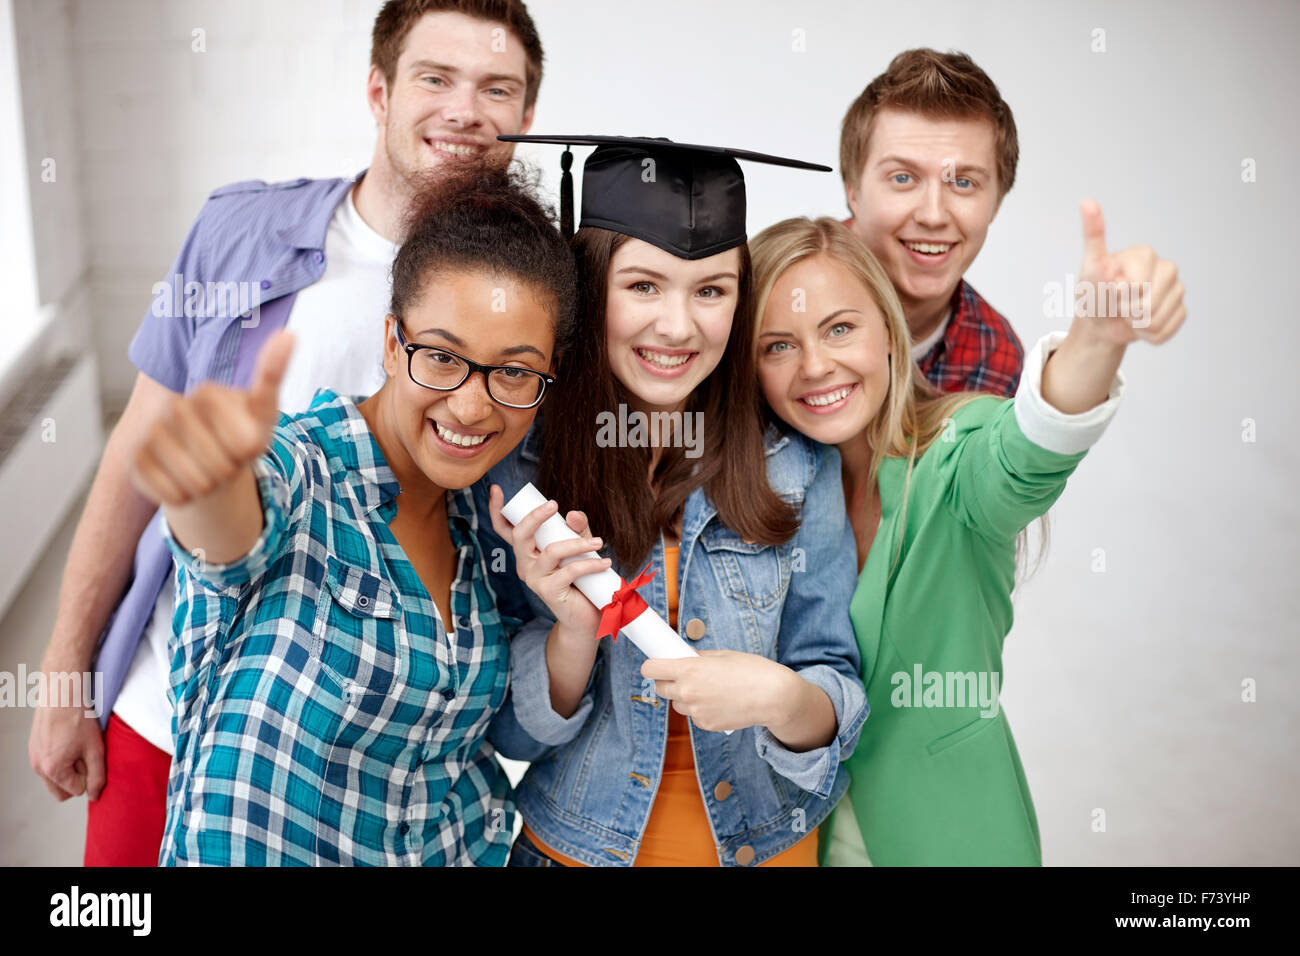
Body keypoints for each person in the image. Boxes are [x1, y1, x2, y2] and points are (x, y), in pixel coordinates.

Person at [27, 0, 545, 866]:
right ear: (378, 91)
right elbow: (137, 463)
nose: (466, 109)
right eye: (436, 78)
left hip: (379, 752)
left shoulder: (537, 297)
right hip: (172, 706)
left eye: (497, 88)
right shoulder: (240, 234)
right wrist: (66, 672)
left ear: (526, 118)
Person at [128, 166, 576, 865]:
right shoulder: (305, 467)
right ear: (394, 343)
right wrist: (206, 481)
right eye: (442, 356)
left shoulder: (488, 538)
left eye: (514, 371)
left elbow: (497, 745)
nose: (471, 406)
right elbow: (227, 538)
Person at [749, 207, 1185, 864]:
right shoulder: (762, 490)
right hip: (795, 844)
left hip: (953, 839)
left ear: (889, 335)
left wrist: (1097, 339)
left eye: (840, 328)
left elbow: (1024, 457)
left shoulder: (957, 450)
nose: (814, 366)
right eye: (778, 345)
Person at [482, 136, 868, 867]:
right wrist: (570, 632)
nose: (679, 326)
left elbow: (835, 683)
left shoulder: (795, 465)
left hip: (772, 849)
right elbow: (510, 735)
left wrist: (777, 696)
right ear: (590, 286)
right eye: (644, 287)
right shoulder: (517, 475)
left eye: (712, 290)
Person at [840, 48, 1025, 396]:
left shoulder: (996, 355)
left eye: (963, 182)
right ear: (853, 190)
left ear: (996, 204)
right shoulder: (768, 297)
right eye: (902, 178)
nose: (933, 215)